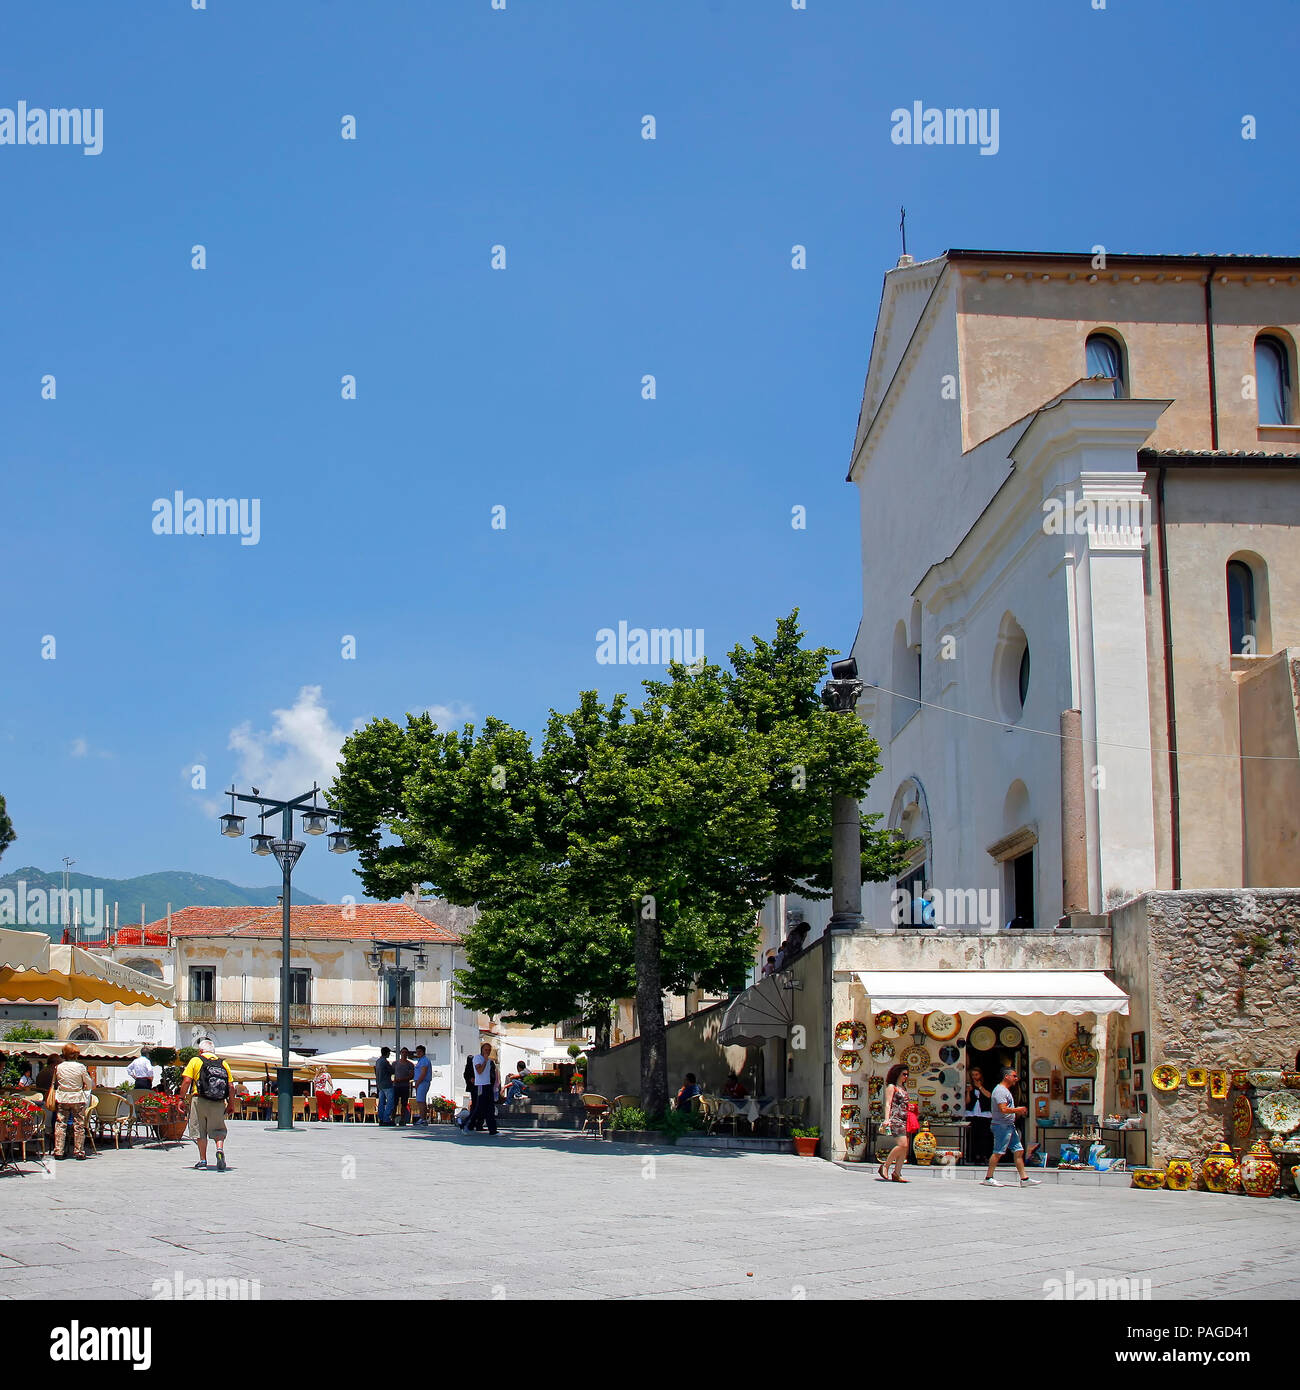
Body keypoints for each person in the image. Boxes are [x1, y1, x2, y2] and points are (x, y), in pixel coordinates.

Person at [180, 1040, 236, 1172]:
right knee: (218, 1130)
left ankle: (203, 1160)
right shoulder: (223, 1063)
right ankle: (219, 1149)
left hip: (199, 1100)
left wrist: (181, 1098)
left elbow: (187, 1080)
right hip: (218, 1102)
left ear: (200, 1051)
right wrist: (231, 1104)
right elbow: (231, 1086)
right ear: (213, 1051)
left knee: (200, 1131)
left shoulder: (195, 1060)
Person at [982, 1068, 1041, 1188]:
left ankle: (1024, 1179)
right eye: (1014, 1076)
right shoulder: (1000, 1091)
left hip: (1009, 1125)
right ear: (1006, 1077)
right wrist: (1018, 1109)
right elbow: (1003, 1109)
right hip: (1001, 1126)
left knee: (1019, 1150)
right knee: (998, 1152)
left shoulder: (1006, 1091)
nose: (1016, 1078)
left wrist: (1016, 1113)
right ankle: (988, 1177)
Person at [50, 1043, 94, 1161]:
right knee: (79, 1124)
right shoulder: (80, 1067)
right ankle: (79, 1151)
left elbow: (56, 1082)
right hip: (77, 1098)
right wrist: (83, 1086)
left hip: (62, 1097)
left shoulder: (59, 1067)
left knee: (60, 1123)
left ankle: (59, 1150)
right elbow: (89, 1083)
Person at [879, 1063, 911, 1182]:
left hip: (904, 1119)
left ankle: (897, 1172)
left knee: (904, 1148)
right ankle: (886, 1166)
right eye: (904, 1074)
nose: (906, 1077)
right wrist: (887, 1119)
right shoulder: (892, 1087)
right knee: (903, 1145)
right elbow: (887, 1104)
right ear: (897, 1074)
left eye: (907, 1074)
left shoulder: (903, 1088)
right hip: (895, 1119)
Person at [465, 1042, 499, 1135]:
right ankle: (466, 1124)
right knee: (478, 1108)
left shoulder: (488, 1060)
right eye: (485, 1050)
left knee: (490, 1108)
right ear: (482, 1050)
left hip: (487, 1085)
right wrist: (484, 1060)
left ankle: (493, 1130)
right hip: (480, 1086)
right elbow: (479, 1071)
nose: (487, 1052)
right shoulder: (478, 1058)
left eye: (489, 1050)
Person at [965, 1067, 993, 1164]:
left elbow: (989, 1095)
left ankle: (983, 1155)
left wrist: (980, 1087)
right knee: (973, 1136)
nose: (974, 1077)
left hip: (984, 1114)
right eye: (973, 1075)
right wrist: (968, 1091)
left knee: (984, 1136)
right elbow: (967, 1102)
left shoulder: (986, 1085)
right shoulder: (969, 1086)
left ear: (980, 1075)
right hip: (972, 1114)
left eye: (976, 1074)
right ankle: (973, 1156)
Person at [393, 1047, 415, 1127]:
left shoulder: (410, 1064)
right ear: (400, 1053)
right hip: (396, 1086)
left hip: (405, 1086)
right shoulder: (395, 1063)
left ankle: (403, 1120)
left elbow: (412, 1076)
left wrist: (402, 1079)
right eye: (403, 1052)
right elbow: (391, 1072)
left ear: (407, 1054)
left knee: (404, 1104)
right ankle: (393, 1119)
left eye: (406, 1052)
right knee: (394, 1103)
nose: (404, 1054)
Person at [375, 1046, 396, 1126]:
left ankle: (381, 1118)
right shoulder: (385, 1062)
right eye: (389, 1053)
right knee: (390, 1102)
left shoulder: (378, 1061)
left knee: (381, 1103)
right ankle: (386, 1119)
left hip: (380, 1085)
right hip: (387, 1084)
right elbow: (392, 1071)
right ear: (387, 1053)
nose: (389, 1055)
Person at [412, 1044, 432, 1125]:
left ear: (423, 1052)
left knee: (421, 1100)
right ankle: (422, 1118)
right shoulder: (421, 1060)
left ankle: (423, 1118)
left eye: (419, 1051)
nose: (418, 1053)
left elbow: (423, 1073)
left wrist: (417, 1082)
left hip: (422, 1082)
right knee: (420, 1100)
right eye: (417, 1052)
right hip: (421, 1082)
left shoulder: (424, 1060)